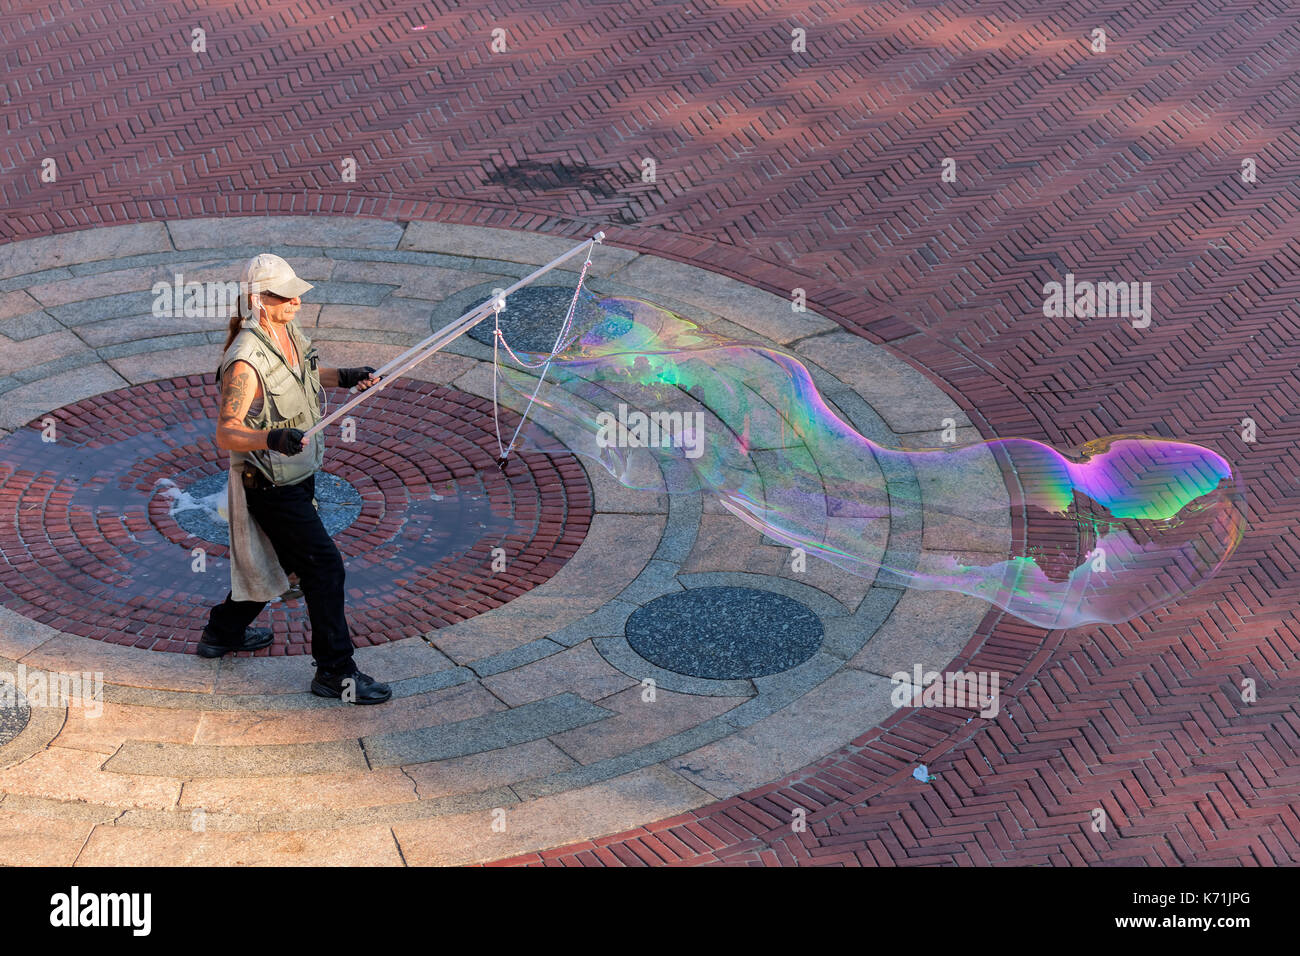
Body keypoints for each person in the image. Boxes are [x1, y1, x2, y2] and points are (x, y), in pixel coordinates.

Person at [197, 253, 392, 704]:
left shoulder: (285, 331)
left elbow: (303, 374)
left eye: (296, 293)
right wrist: (271, 437)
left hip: (296, 478)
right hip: (271, 487)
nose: (297, 302)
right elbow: (227, 431)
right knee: (323, 568)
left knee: (281, 565)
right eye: (286, 296)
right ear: (259, 300)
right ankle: (334, 672)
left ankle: (220, 633)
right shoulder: (245, 360)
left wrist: (344, 376)